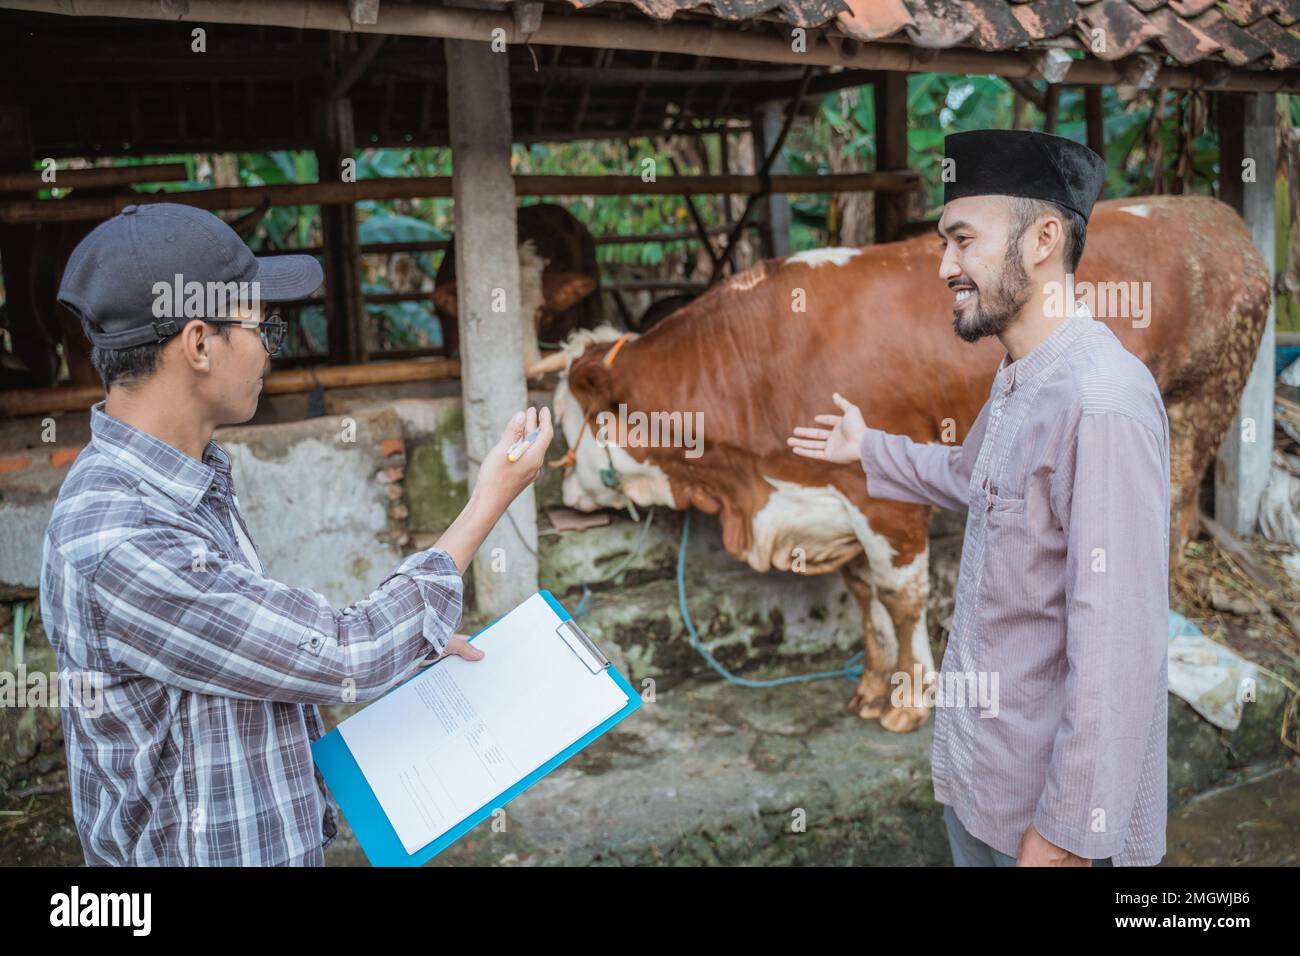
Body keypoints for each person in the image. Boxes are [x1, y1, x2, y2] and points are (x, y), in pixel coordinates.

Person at [41, 202, 553, 865]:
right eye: (262, 328)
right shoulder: (121, 537)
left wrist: (410, 646)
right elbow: (346, 652)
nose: (269, 352)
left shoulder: (186, 480)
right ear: (198, 344)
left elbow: (256, 662)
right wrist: (489, 499)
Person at [788, 130, 1169, 867]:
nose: (944, 266)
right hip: (985, 787)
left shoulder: (1101, 402)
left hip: (1051, 827)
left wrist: (1063, 837)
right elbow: (976, 477)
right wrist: (868, 448)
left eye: (963, 240)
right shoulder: (1020, 374)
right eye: (944, 242)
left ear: (1042, 240)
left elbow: (1120, 650)